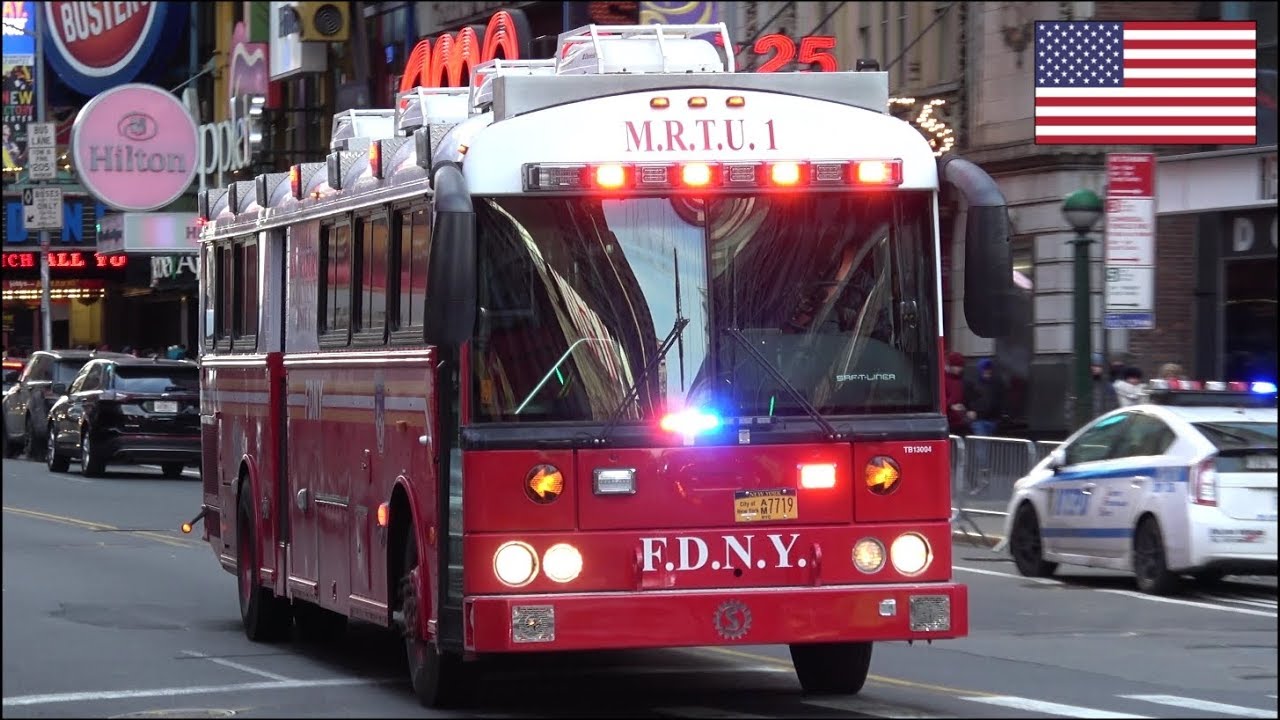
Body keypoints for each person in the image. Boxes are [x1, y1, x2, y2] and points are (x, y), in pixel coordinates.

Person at [965, 358, 1003, 437]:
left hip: (993, 419)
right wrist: (969, 410)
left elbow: (1000, 399)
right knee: (982, 446)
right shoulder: (973, 383)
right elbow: (967, 398)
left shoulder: (997, 383)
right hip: (979, 420)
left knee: (989, 445)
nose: (987, 372)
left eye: (989, 370)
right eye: (985, 370)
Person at [945, 351, 969, 435]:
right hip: (948, 422)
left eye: (960, 366)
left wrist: (965, 408)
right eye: (957, 366)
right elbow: (939, 400)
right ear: (951, 366)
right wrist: (951, 406)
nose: (959, 369)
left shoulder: (962, 380)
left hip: (961, 422)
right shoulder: (943, 380)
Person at [1091, 352, 1118, 416]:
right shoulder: (1081, 384)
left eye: (1098, 366)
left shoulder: (1108, 386)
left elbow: (1112, 406)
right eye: (1093, 365)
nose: (1094, 368)